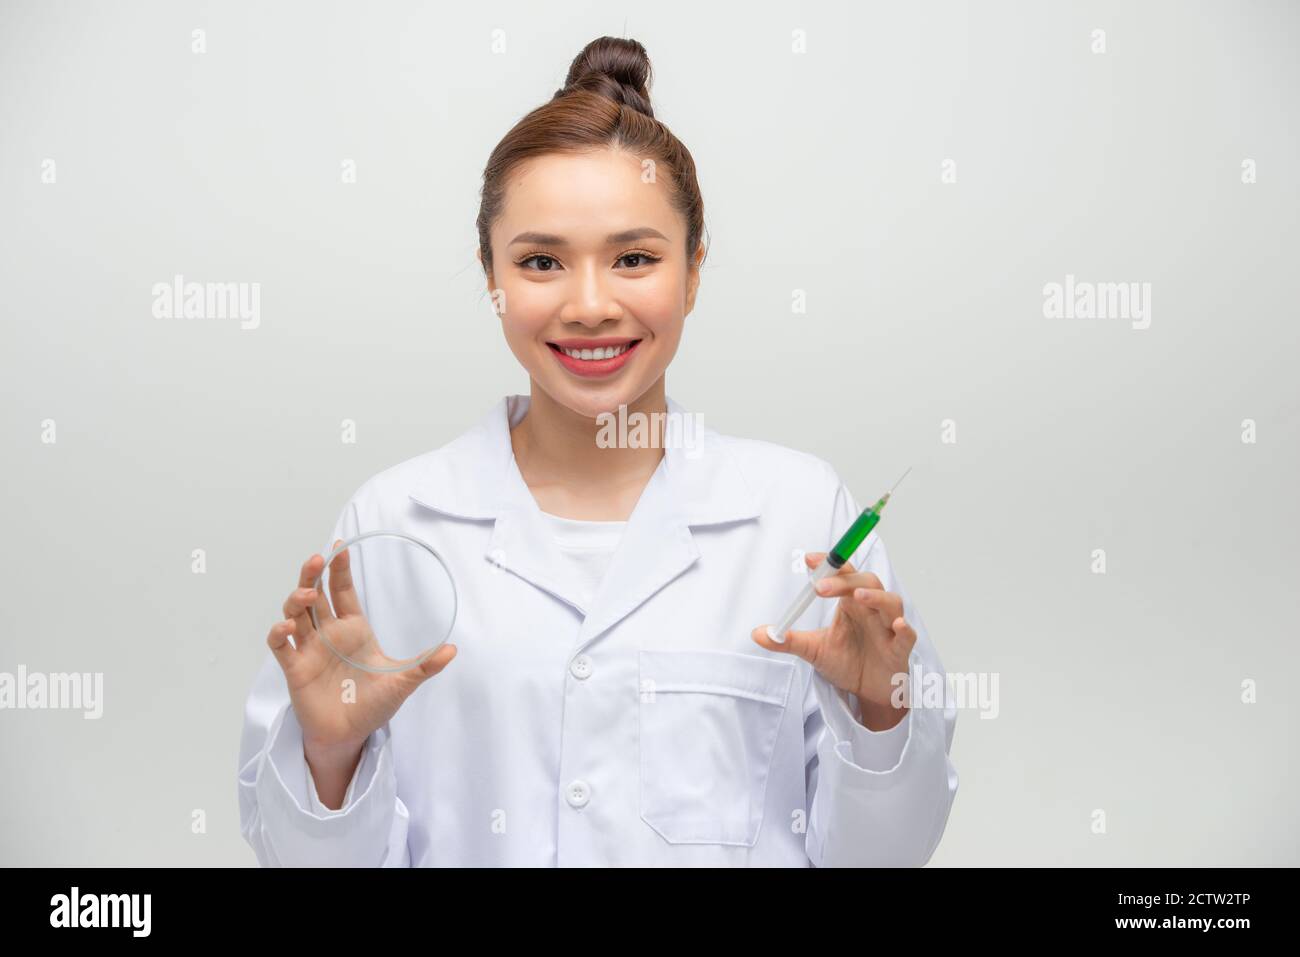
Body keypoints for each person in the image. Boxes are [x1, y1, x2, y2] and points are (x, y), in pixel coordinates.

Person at [237, 35, 958, 867]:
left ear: (693, 272)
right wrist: (329, 758)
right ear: (490, 274)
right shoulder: (394, 525)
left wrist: (881, 716)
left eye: (635, 259)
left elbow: (883, 858)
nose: (589, 304)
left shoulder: (801, 515)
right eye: (541, 260)